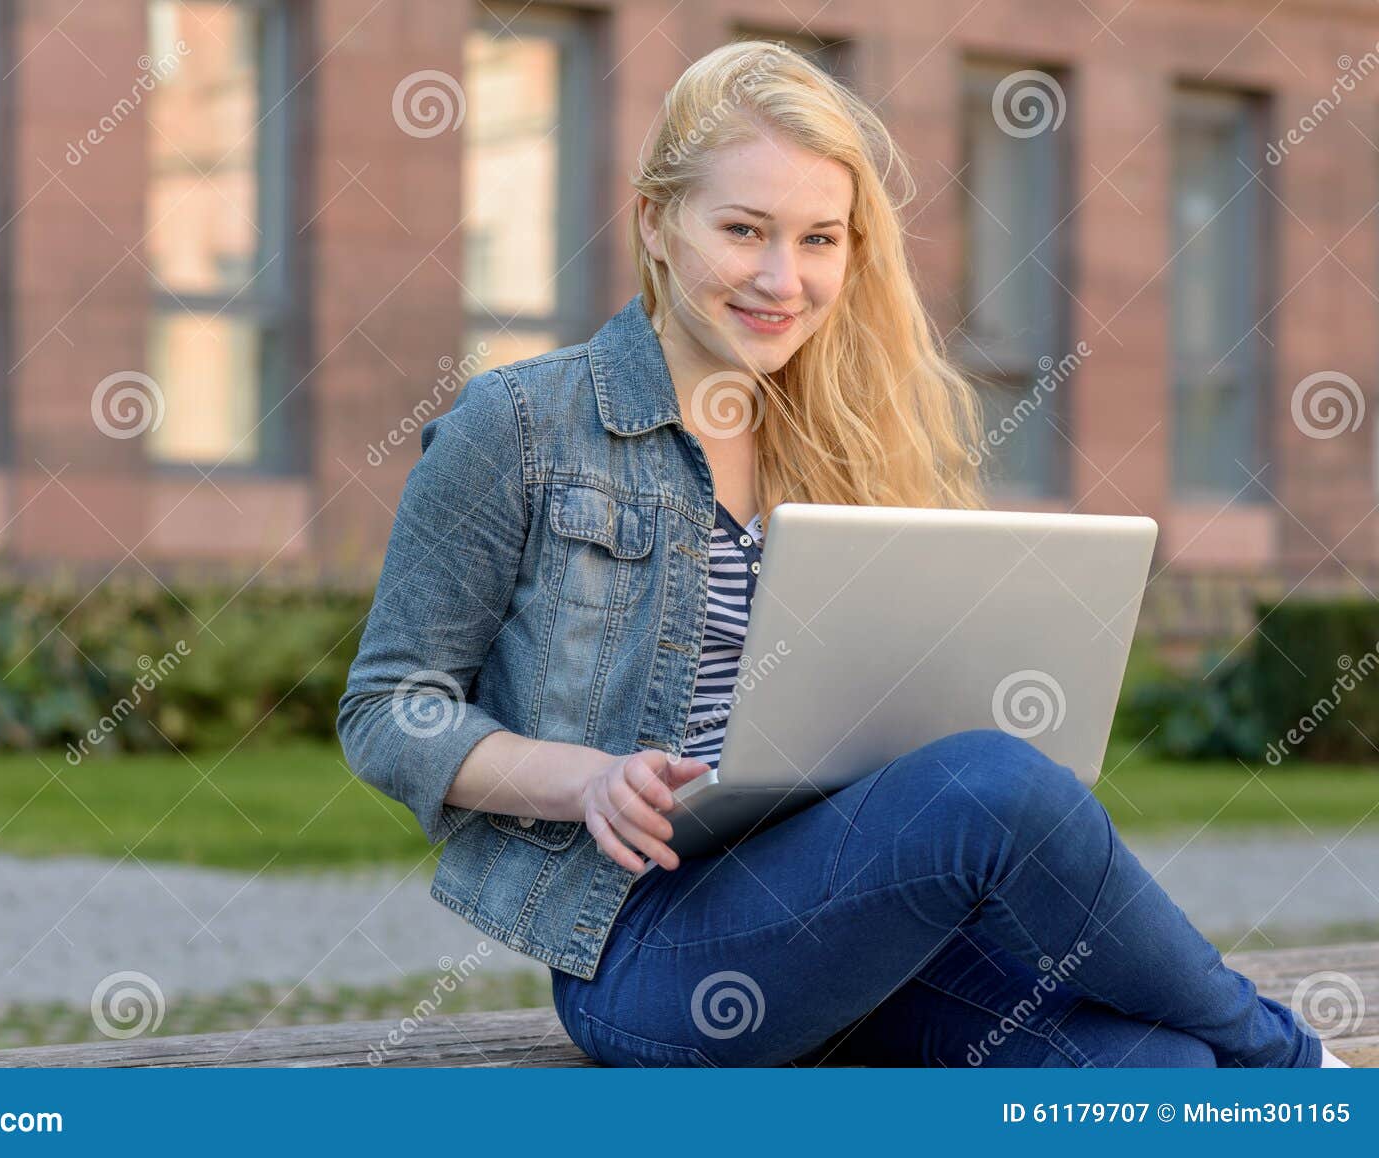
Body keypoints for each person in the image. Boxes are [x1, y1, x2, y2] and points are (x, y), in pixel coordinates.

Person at [337, 40, 1342, 1068]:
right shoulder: (517, 426)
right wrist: (585, 781)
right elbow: (386, 708)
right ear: (655, 221)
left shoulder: (843, 438)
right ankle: (1297, 1066)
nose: (783, 278)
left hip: (865, 922)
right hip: (647, 949)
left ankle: (1258, 1065)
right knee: (998, 785)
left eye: (820, 239)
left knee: (1157, 1076)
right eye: (743, 230)